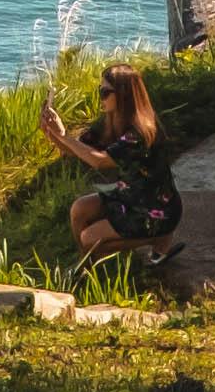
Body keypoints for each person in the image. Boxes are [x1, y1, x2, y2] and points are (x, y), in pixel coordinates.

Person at [41, 64, 185, 272]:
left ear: (124, 95)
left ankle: (159, 238)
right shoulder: (110, 121)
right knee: (79, 210)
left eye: (105, 92)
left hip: (155, 208)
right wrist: (54, 133)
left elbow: (100, 161)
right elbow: (76, 150)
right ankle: (87, 265)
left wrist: (63, 136)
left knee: (89, 238)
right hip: (129, 196)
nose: (101, 97)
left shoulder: (140, 132)